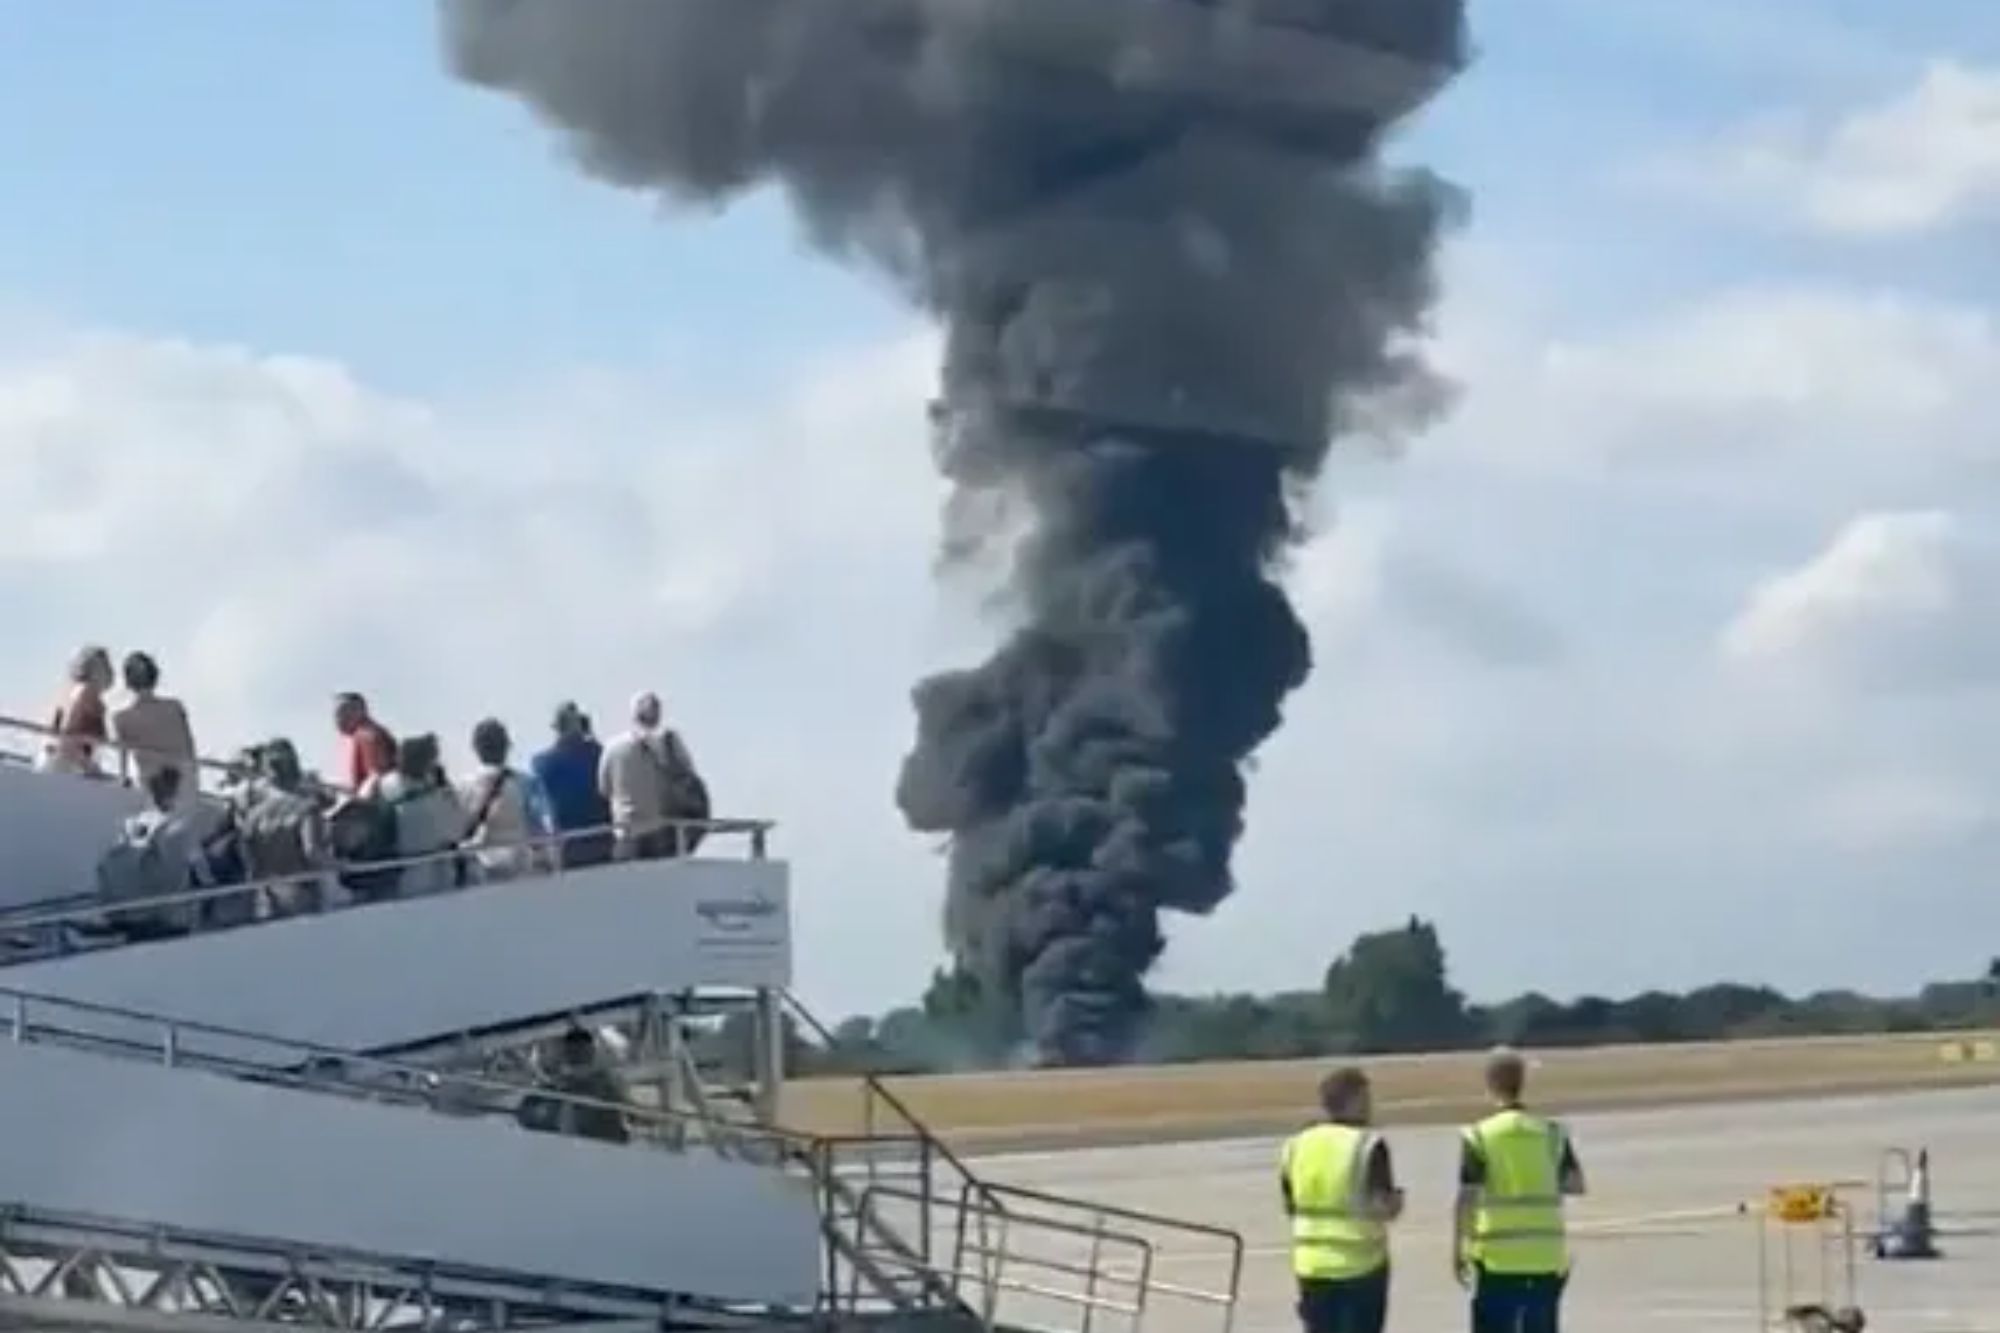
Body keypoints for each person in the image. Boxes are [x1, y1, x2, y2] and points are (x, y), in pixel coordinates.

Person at [1453, 1048, 1587, 1333]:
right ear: (1522, 1082)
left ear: (1489, 1085)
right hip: (1544, 1255)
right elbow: (1575, 1184)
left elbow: (1467, 1198)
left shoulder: (1479, 1135)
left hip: (1496, 1259)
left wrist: (1457, 1249)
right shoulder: (1551, 1133)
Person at [1281, 1067, 1402, 1333]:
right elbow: (1382, 1206)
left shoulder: (1296, 1145)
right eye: (1367, 1099)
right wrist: (1396, 1203)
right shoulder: (1368, 1144)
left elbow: (1290, 1205)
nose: (1371, 1107)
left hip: (1311, 1264)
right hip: (1360, 1265)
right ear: (1355, 1101)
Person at [598, 692, 706, 861]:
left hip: (626, 831)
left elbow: (604, 789)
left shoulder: (613, 747)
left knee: (626, 882)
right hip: (660, 830)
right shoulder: (669, 742)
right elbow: (689, 778)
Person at [458, 718, 549, 881]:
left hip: (482, 871)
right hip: (520, 868)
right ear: (507, 746)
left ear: (476, 749)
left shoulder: (463, 788)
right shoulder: (526, 783)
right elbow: (538, 828)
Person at [375, 732, 463, 896]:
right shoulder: (437, 794)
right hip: (433, 871)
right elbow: (456, 830)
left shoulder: (383, 785)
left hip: (407, 871)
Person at [516, 1025, 630, 1145]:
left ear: (591, 1054)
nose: (577, 1056)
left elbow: (614, 1129)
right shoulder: (551, 1088)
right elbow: (525, 1116)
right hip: (551, 1149)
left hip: (590, 1151)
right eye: (573, 1052)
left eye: (581, 1052)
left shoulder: (604, 1089)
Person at [532, 702, 613, 869]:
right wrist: (590, 735)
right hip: (603, 839)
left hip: (567, 846)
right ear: (580, 724)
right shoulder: (599, 754)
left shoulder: (541, 762)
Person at [111, 651, 199, 803]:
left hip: (151, 788)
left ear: (128, 682)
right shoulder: (175, 707)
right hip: (185, 784)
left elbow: (123, 767)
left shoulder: (122, 718)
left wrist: (123, 780)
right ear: (155, 676)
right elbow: (190, 748)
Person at [39, 645, 115, 776]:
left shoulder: (67, 690)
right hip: (70, 766)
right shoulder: (89, 693)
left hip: (49, 761)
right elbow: (95, 739)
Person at [332, 692, 397, 793]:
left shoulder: (366, 734)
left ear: (361, 711)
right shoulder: (367, 732)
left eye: (342, 712)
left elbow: (377, 775)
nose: (338, 719)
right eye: (336, 714)